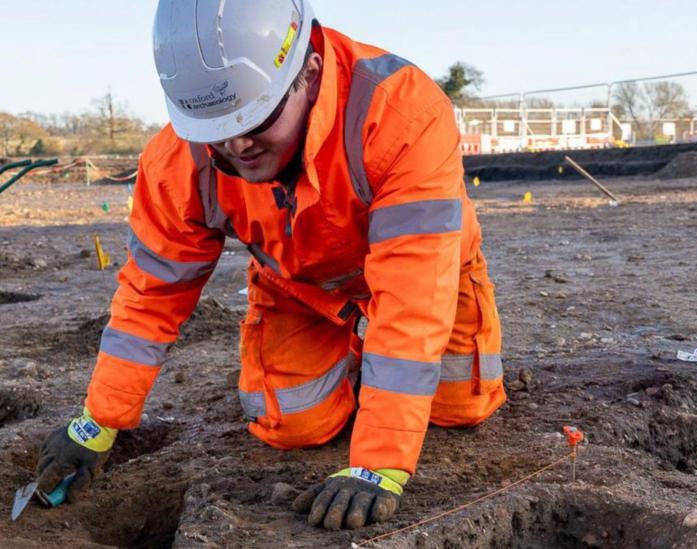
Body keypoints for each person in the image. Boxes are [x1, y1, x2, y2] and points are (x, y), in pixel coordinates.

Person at [36, 0, 505, 530]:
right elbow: (149, 300)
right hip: (298, 285)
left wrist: (377, 467)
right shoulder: (180, 162)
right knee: (292, 425)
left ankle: (374, 374)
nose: (236, 145)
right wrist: (95, 424)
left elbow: (414, 297)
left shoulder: (400, 114)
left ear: (309, 70)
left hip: (429, 270)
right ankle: (352, 361)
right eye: (215, 128)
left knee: (460, 407)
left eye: (255, 119)